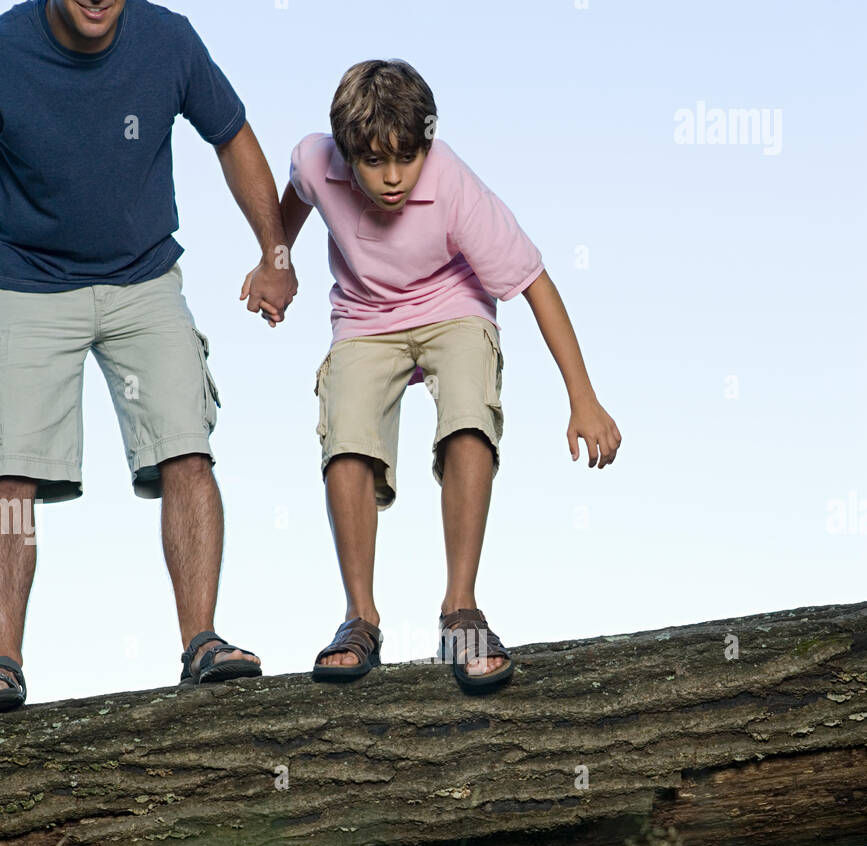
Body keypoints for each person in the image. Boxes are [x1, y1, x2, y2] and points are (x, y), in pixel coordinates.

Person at [281, 59, 621, 691]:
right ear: (346, 151)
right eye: (373, 162)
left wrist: (583, 397)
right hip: (365, 316)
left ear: (426, 145)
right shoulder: (314, 158)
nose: (391, 179)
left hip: (453, 307)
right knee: (346, 433)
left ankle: (460, 610)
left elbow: (534, 284)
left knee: (467, 415)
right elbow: (298, 197)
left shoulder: (455, 187)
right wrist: (277, 259)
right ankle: (360, 617)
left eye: (405, 160)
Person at [0, 0, 296, 711]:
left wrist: (275, 252)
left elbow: (232, 135)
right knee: (10, 477)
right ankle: (4, 660)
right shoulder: (6, 48)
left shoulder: (167, 39)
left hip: (143, 278)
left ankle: (202, 642)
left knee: (186, 450)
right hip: (27, 282)